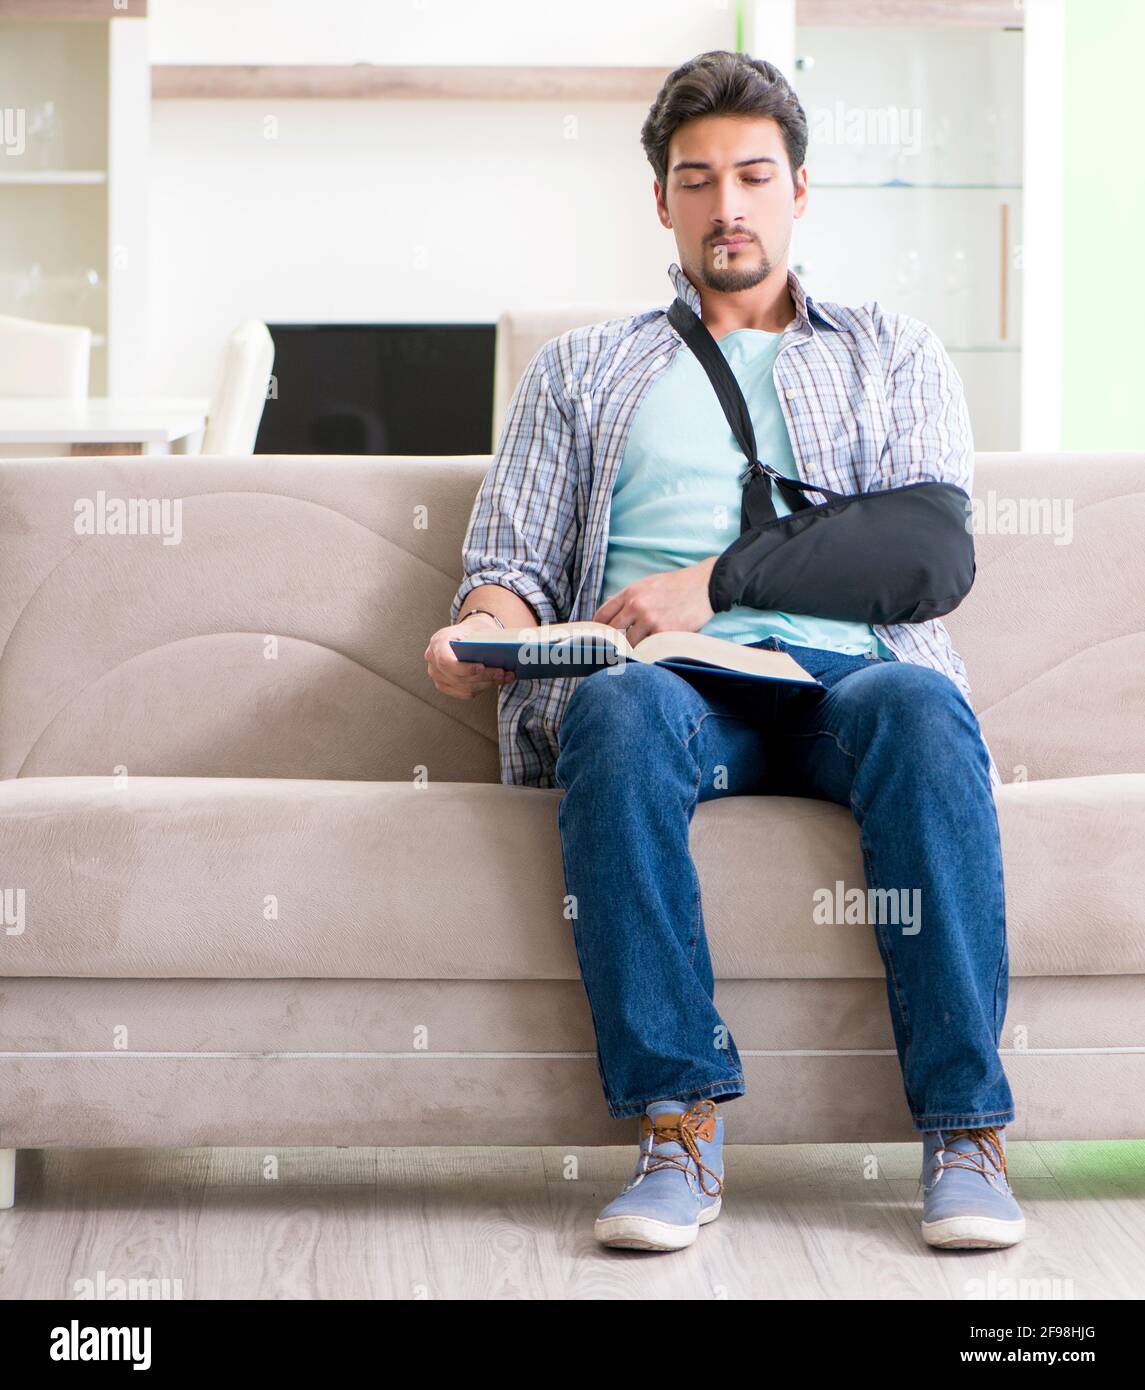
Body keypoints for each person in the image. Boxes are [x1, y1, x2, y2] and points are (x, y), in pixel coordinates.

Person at [424, 49, 1023, 1255]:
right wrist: (483, 633)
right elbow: (513, 566)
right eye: (695, 181)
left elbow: (926, 550)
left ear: (800, 190)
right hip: (665, 695)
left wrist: (715, 583)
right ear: (660, 202)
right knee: (612, 712)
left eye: (753, 175)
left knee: (918, 707)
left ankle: (963, 1131)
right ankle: (674, 1124)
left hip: (846, 681)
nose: (726, 205)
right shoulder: (582, 371)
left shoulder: (888, 351)